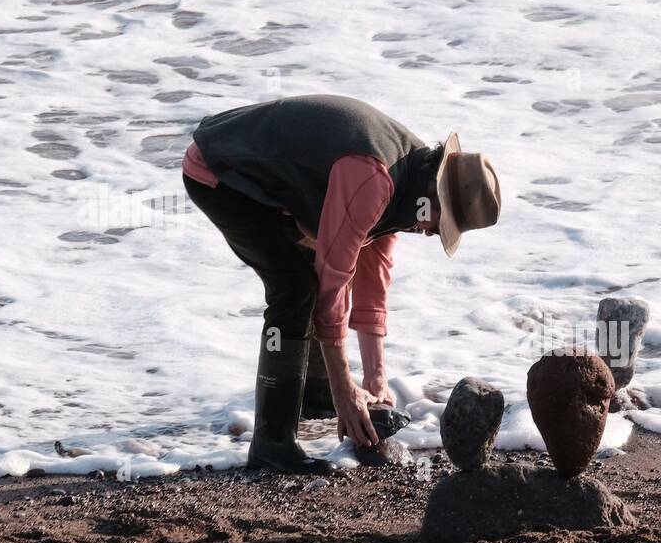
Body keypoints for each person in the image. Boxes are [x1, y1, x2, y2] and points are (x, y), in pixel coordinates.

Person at [181, 94, 502, 474]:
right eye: (441, 222)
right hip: (220, 172)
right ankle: (271, 444)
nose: (432, 232)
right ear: (436, 191)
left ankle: (317, 397)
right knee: (296, 287)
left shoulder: (412, 174)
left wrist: (375, 378)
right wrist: (346, 387)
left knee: (314, 278)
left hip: (271, 177)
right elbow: (334, 283)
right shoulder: (373, 179)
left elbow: (373, 274)